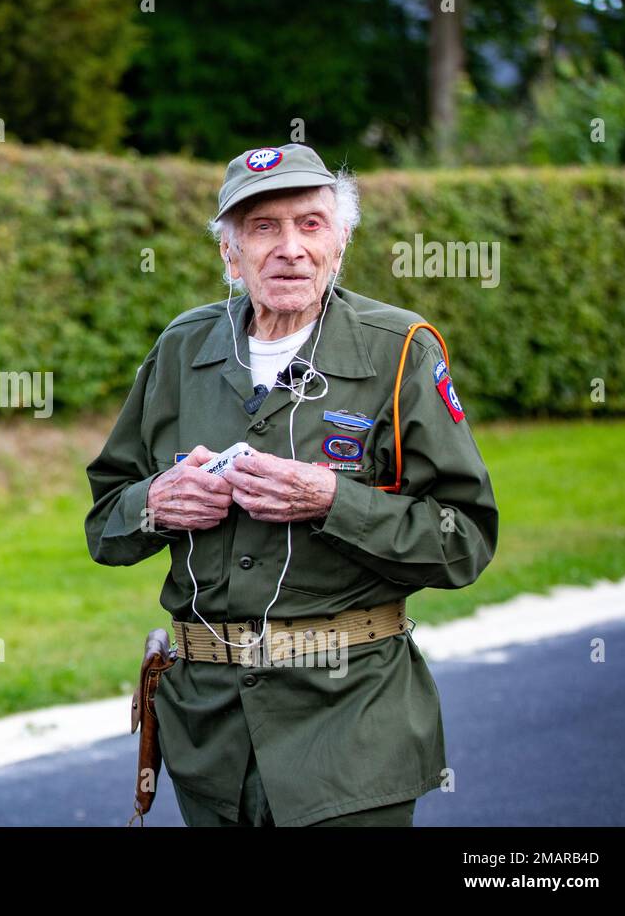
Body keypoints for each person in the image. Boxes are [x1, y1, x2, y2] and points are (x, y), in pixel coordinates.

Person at [86, 143, 498, 827]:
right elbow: (105, 523)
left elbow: (464, 541)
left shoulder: (399, 350)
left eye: (311, 224)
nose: (290, 248)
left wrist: (333, 501)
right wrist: (154, 504)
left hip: (350, 728)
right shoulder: (182, 349)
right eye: (263, 228)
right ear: (231, 253)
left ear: (341, 241)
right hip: (208, 736)